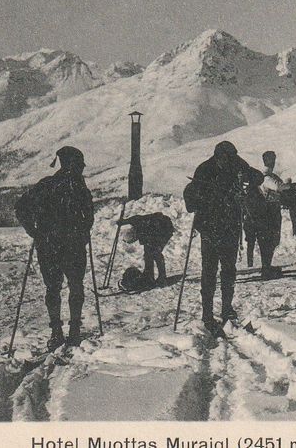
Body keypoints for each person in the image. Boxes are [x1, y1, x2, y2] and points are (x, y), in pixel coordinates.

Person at [14, 145, 94, 350]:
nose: (82, 169)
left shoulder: (45, 185)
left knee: (53, 288)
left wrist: (33, 231)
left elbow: (21, 207)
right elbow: (89, 216)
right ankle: (73, 330)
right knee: (75, 285)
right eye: (79, 165)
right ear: (71, 165)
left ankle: (57, 331)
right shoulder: (79, 188)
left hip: (48, 246)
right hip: (72, 246)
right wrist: (83, 232)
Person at [183, 141, 262, 334]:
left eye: (233, 158)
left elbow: (257, 177)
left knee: (229, 270)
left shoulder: (236, 165)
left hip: (230, 227)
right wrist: (212, 197)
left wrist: (245, 178)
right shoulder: (204, 170)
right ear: (219, 156)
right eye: (228, 158)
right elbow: (192, 198)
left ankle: (227, 309)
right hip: (210, 228)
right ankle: (207, 314)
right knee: (209, 271)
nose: (230, 161)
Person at [119, 212, 174, 289]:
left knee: (156, 253)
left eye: (134, 240)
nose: (136, 241)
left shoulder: (144, 232)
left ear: (134, 235)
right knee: (148, 253)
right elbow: (134, 218)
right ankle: (149, 275)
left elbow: (152, 244)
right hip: (155, 229)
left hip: (165, 229)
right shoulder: (136, 223)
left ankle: (162, 277)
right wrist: (123, 222)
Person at [257, 150, 286, 279]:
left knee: (272, 240)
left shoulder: (270, 175)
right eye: (271, 160)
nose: (273, 162)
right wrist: (289, 186)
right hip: (268, 211)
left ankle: (267, 266)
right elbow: (278, 187)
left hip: (272, 210)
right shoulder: (266, 177)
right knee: (268, 240)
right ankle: (266, 269)